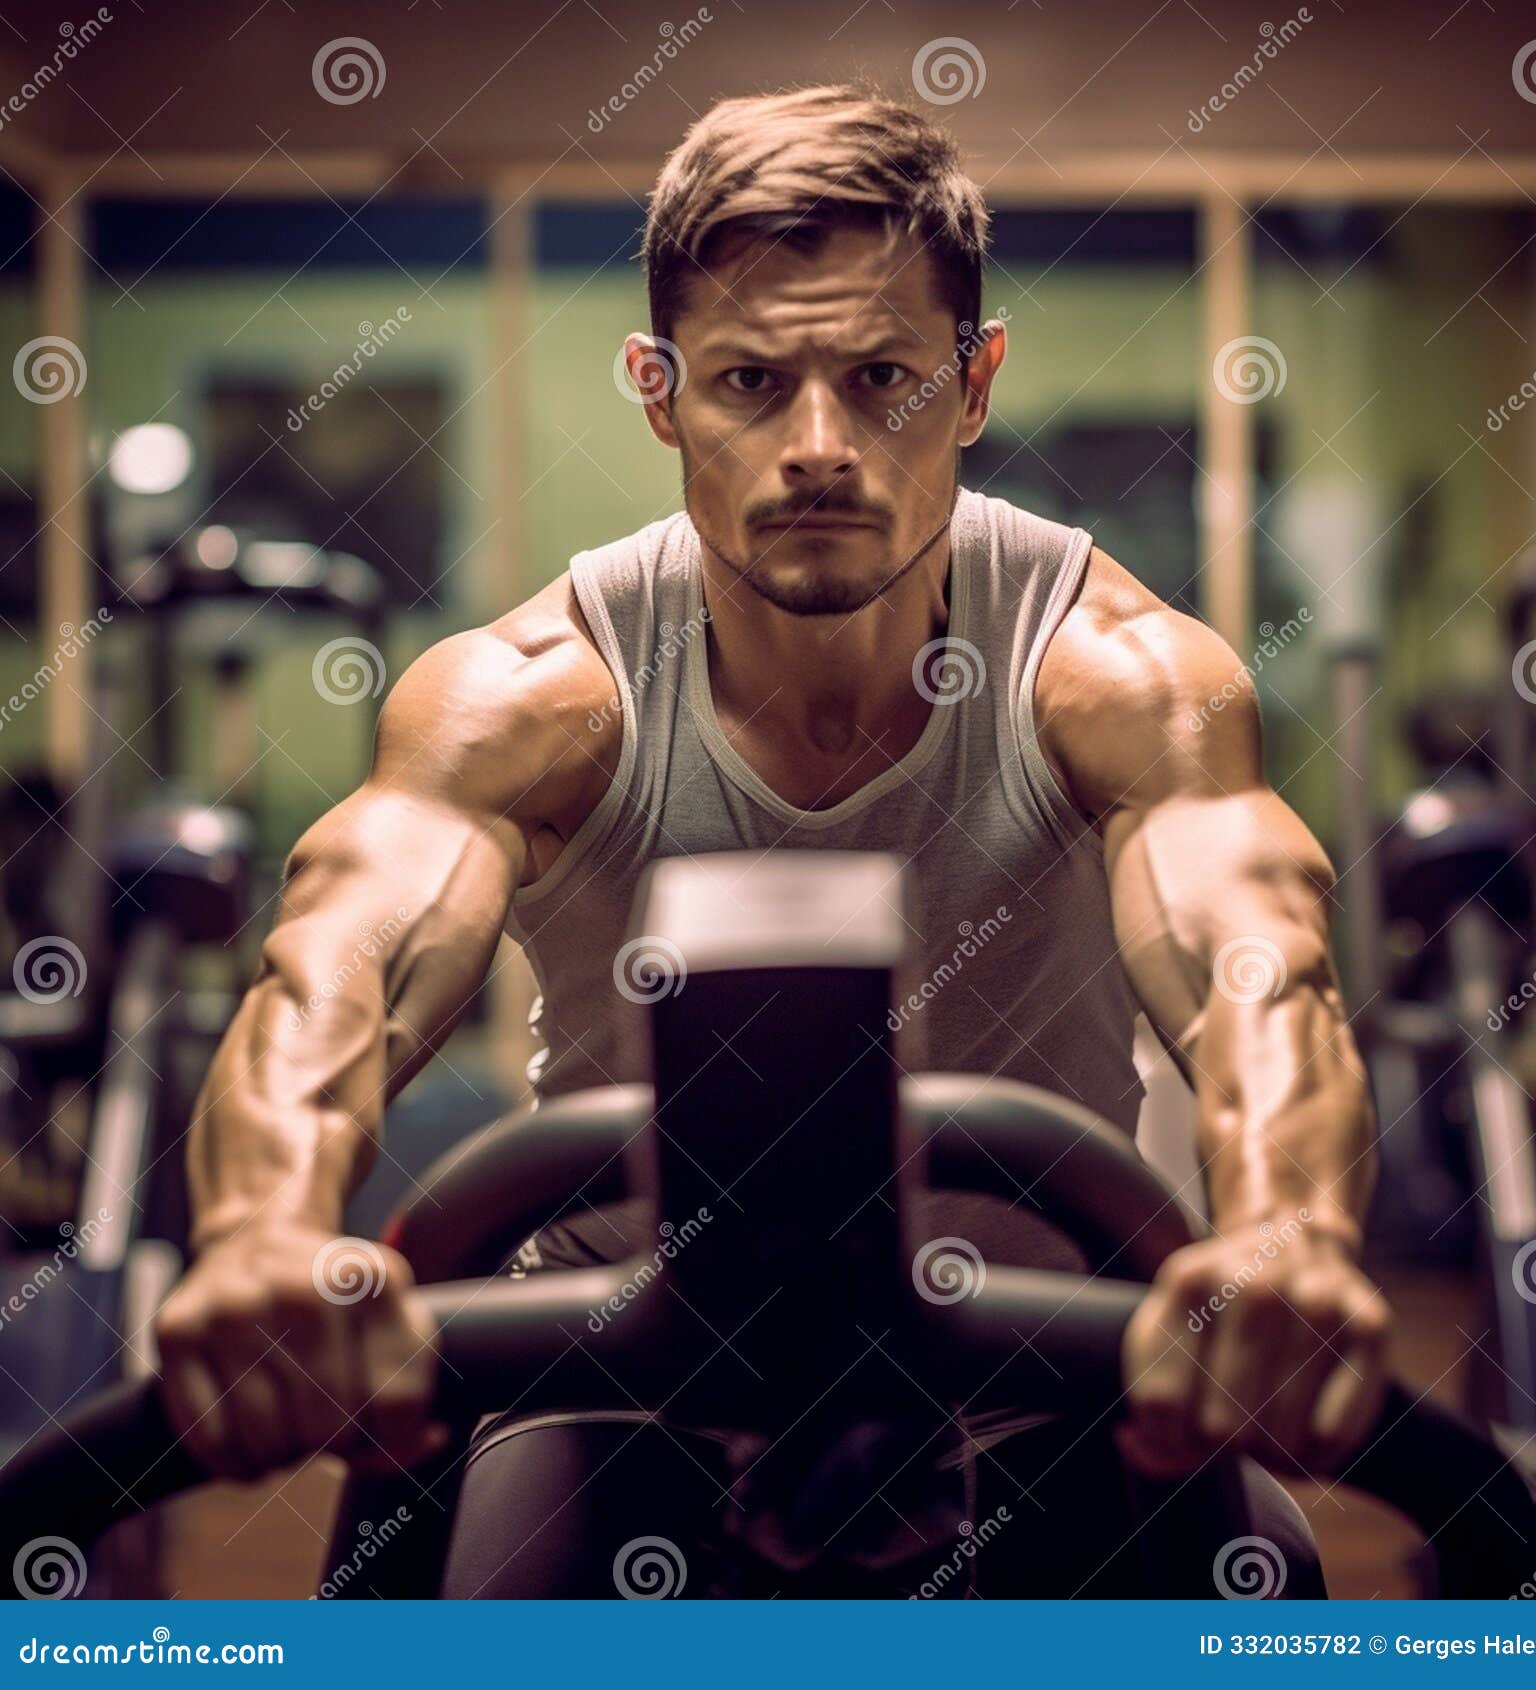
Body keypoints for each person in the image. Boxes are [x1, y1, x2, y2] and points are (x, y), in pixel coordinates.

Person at [155, 83, 1389, 1598]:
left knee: (1256, 1583)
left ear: (975, 381)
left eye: (883, 379)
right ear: (658, 389)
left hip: (1041, 1368)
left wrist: (1287, 1230)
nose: (819, 446)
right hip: (622, 1373)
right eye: (750, 381)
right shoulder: (533, 696)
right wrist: (260, 1229)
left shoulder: (1117, 673)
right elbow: (336, 967)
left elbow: (1259, 969)